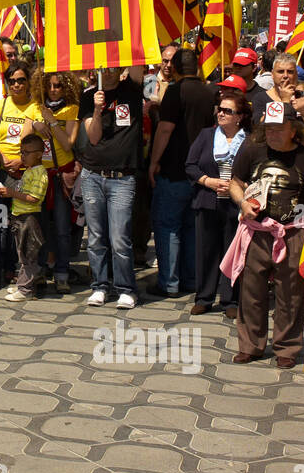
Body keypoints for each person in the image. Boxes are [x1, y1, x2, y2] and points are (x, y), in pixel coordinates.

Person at [225, 102, 304, 367]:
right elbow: (235, 183)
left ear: (293, 130)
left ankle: (287, 348)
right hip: (256, 230)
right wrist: (243, 203)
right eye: (268, 128)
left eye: (278, 129)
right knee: (251, 291)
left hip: (292, 232)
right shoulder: (252, 150)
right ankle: (250, 345)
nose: (272, 133)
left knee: (290, 293)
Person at [148, 48, 216, 298]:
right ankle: (191, 280)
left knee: (168, 227)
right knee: (191, 228)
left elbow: (165, 130)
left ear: (174, 68)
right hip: (201, 173)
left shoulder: (176, 91)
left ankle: (169, 283)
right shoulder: (210, 92)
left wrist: (154, 162)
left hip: (174, 169)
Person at [77, 66, 146, 309]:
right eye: (103, 69)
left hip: (122, 177)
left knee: (120, 238)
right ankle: (99, 286)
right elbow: (93, 137)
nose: (108, 72)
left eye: (113, 68)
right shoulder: (88, 95)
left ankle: (126, 288)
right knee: (96, 237)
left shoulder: (133, 90)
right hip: (93, 175)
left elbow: (139, 59)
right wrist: (97, 110)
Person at [186, 90, 251, 317]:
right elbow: (191, 165)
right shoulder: (206, 135)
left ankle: (230, 300)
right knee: (206, 251)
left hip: (236, 205)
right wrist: (209, 181)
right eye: (219, 109)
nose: (221, 114)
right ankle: (203, 297)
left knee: (232, 252)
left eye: (227, 111)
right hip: (208, 201)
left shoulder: (250, 139)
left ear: (240, 116)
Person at [0, 59, 43, 287]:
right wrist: (2, 158)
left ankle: (11, 268)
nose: (17, 85)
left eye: (21, 80)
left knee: (15, 223)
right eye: (12, 81)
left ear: (28, 82)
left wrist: (20, 160)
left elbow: (34, 140)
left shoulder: (35, 106)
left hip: (22, 174)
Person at [36, 70, 80, 292]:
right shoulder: (37, 108)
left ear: (66, 88)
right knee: (41, 227)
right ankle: (41, 270)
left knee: (62, 228)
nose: (53, 90)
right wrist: (35, 125)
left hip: (61, 175)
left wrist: (52, 122)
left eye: (58, 86)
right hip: (40, 177)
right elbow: (25, 137)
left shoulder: (71, 110)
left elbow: (68, 144)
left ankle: (62, 271)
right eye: (50, 86)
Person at [0, 133, 50, 303]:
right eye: (21, 152)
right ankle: (23, 283)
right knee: (22, 253)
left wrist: (12, 193)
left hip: (29, 218)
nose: (23, 156)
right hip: (19, 216)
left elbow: (34, 198)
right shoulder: (29, 171)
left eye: (27, 152)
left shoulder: (40, 173)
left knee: (28, 255)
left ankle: (27, 289)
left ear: (39, 154)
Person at [250, 51, 297, 120]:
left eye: (290, 72)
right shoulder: (260, 99)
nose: (285, 75)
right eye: (280, 71)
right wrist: (285, 102)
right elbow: (260, 127)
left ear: (296, 74)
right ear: (272, 74)